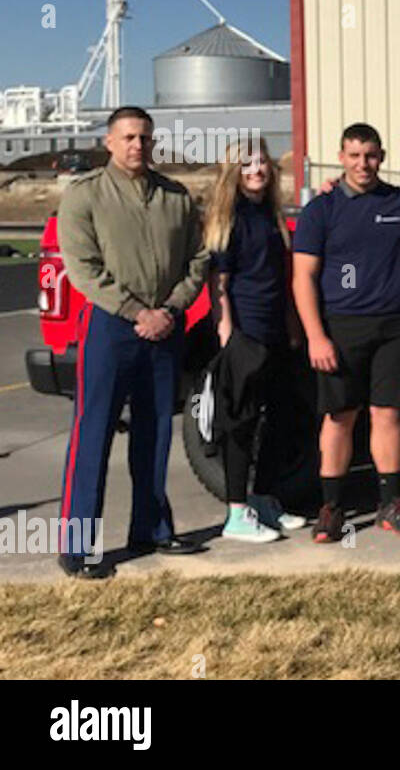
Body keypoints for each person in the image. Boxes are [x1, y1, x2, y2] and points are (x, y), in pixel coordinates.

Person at [56, 106, 209, 578]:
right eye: (127, 137)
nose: (137, 145)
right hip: (109, 326)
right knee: (93, 432)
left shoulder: (175, 197)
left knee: (156, 430)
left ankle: (152, 528)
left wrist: (170, 310)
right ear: (109, 142)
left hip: (164, 328)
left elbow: (198, 259)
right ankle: (78, 547)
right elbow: (83, 267)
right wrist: (135, 311)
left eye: (144, 137)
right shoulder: (85, 197)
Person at [292, 123, 400, 543]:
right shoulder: (322, 209)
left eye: (369, 155)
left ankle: (391, 503)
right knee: (339, 417)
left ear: (382, 157)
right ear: (342, 156)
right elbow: (303, 277)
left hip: (395, 327)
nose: (362, 164)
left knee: (387, 414)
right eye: (353, 155)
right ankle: (331, 507)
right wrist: (316, 336)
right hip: (340, 327)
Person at [205, 136, 308, 543]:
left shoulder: (271, 215)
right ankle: (236, 514)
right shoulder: (227, 218)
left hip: (275, 331)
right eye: (247, 165)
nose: (256, 171)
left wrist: (291, 325)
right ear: (234, 171)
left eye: (262, 164)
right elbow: (220, 283)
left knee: (281, 418)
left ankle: (265, 499)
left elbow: (278, 277)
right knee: (241, 423)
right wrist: (227, 332)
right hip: (246, 334)